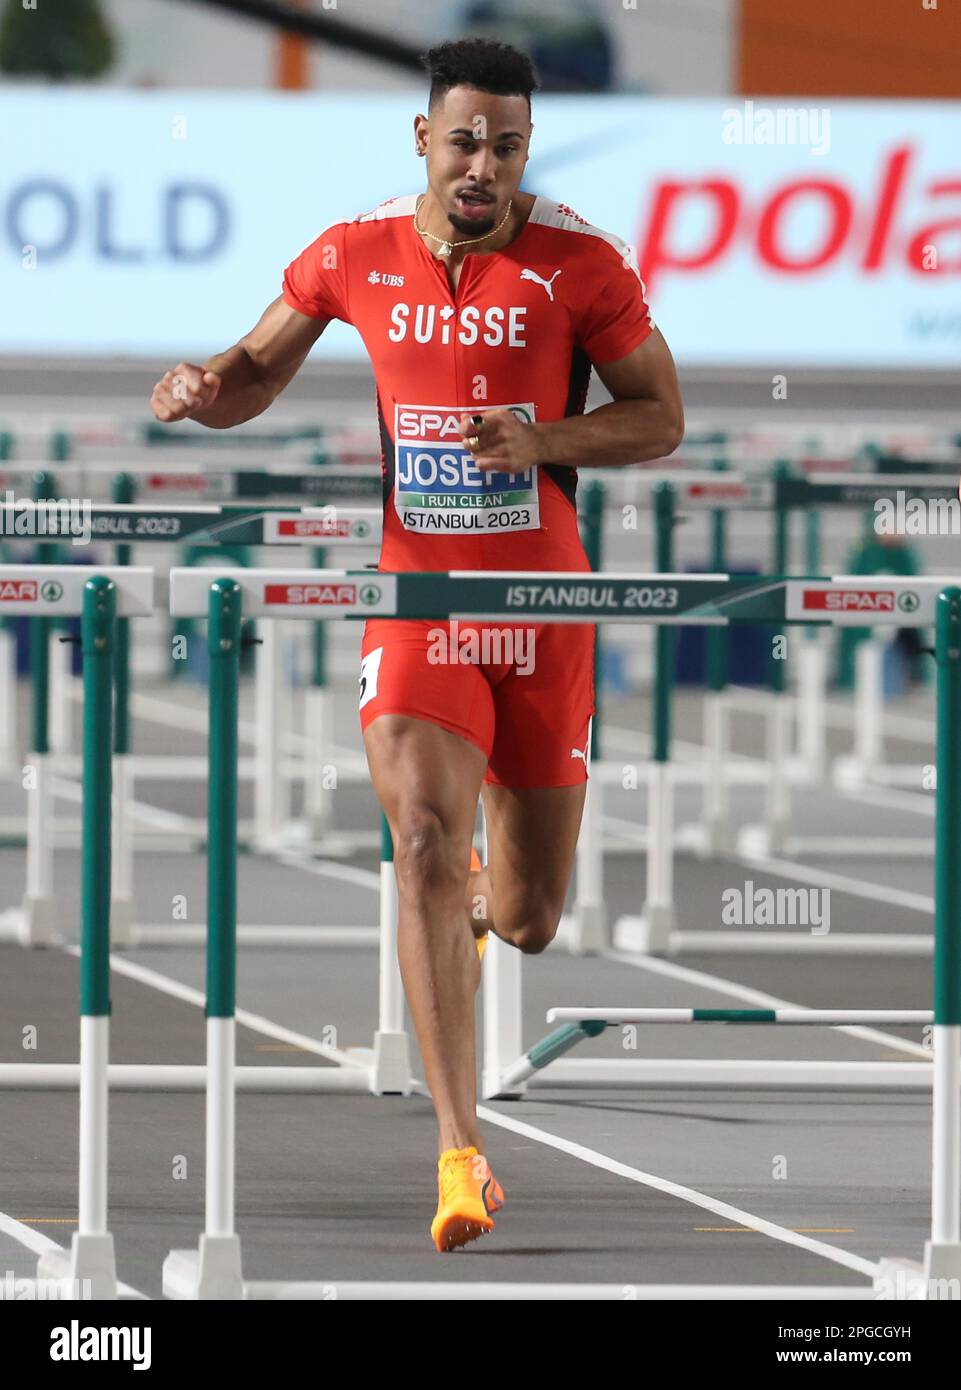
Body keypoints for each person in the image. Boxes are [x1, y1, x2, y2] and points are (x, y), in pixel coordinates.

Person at [149, 36, 684, 1253]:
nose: (482, 163)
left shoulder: (581, 263)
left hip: (544, 615)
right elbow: (255, 373)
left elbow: (661, 416)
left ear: (526, 149)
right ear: (423, 143)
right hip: (421, 605)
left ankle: (489, 899)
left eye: (505, 142)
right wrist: (199, 384)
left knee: (536, 916)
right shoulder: (353, 251)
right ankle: (460, 1154)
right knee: (424, 842)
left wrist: (543, 440)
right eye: (463, 140)